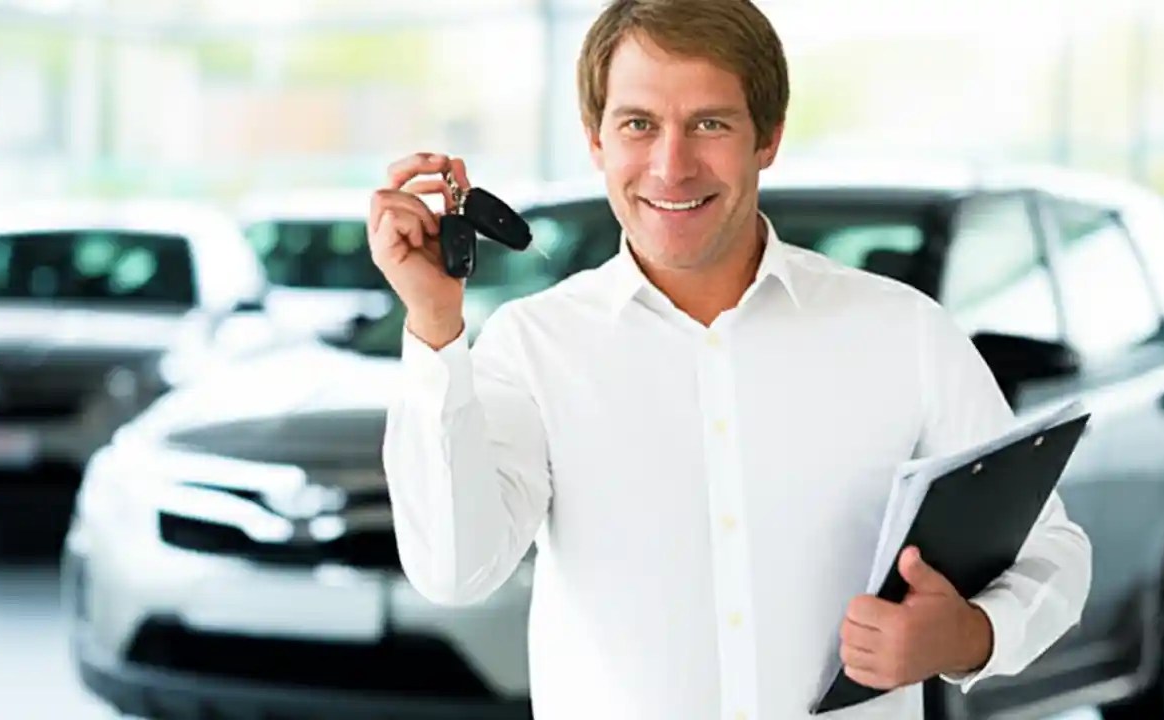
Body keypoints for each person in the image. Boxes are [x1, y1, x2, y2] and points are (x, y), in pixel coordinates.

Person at [368, 1, 1092, 718]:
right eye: (638, 125)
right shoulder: (533, 346)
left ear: (768, 138)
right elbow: (455, 571)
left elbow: (1053, 552)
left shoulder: (904, 334)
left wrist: (968, 635)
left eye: (709, 123)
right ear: (596, 140)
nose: (671, 165)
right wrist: (435, 326)